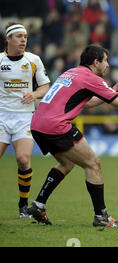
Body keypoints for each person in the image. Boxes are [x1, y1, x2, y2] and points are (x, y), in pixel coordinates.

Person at [26, 44, 118, 227]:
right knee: (93, 164)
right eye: (105, 61)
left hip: (38, 123)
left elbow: (82, 102)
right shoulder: (90, 78)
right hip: (56, 125)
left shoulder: (71, 73)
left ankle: (38, 205)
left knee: (67, 163)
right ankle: (101, 216)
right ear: (96, 62)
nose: (108, 65)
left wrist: (107, 93)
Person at [0, 23, 50, 219]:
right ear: (8, 39)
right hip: (2, 115)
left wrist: (35, 94)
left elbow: (45, 85)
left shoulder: (33, 60)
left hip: (24, 117)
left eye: (25, 37)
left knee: (22, 159)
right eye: (19, 36)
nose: (23, 40)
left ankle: (23, 205)